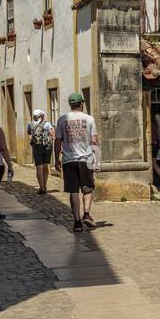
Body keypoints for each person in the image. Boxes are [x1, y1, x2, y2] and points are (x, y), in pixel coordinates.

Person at [55, 91, 99, 233]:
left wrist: (56, 159)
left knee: (73, 191)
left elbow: (58, 141)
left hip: (68, 160)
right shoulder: (89, 119)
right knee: (88, 188)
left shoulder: (62, 120)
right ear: (81, 104)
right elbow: (94, 141)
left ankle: (77, 222)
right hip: (86, 159)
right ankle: (86, 213)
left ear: (70, 104)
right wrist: (97, 160)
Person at [26, 108, 54, 194]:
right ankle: (45, 185)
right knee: (45, 166)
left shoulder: (30, 125)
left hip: (36, 147)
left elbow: (29, 133)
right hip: (47, 147)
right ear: (41, 116)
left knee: (39, 167)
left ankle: (41, 187)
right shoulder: (47, 124)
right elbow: (53, 134)